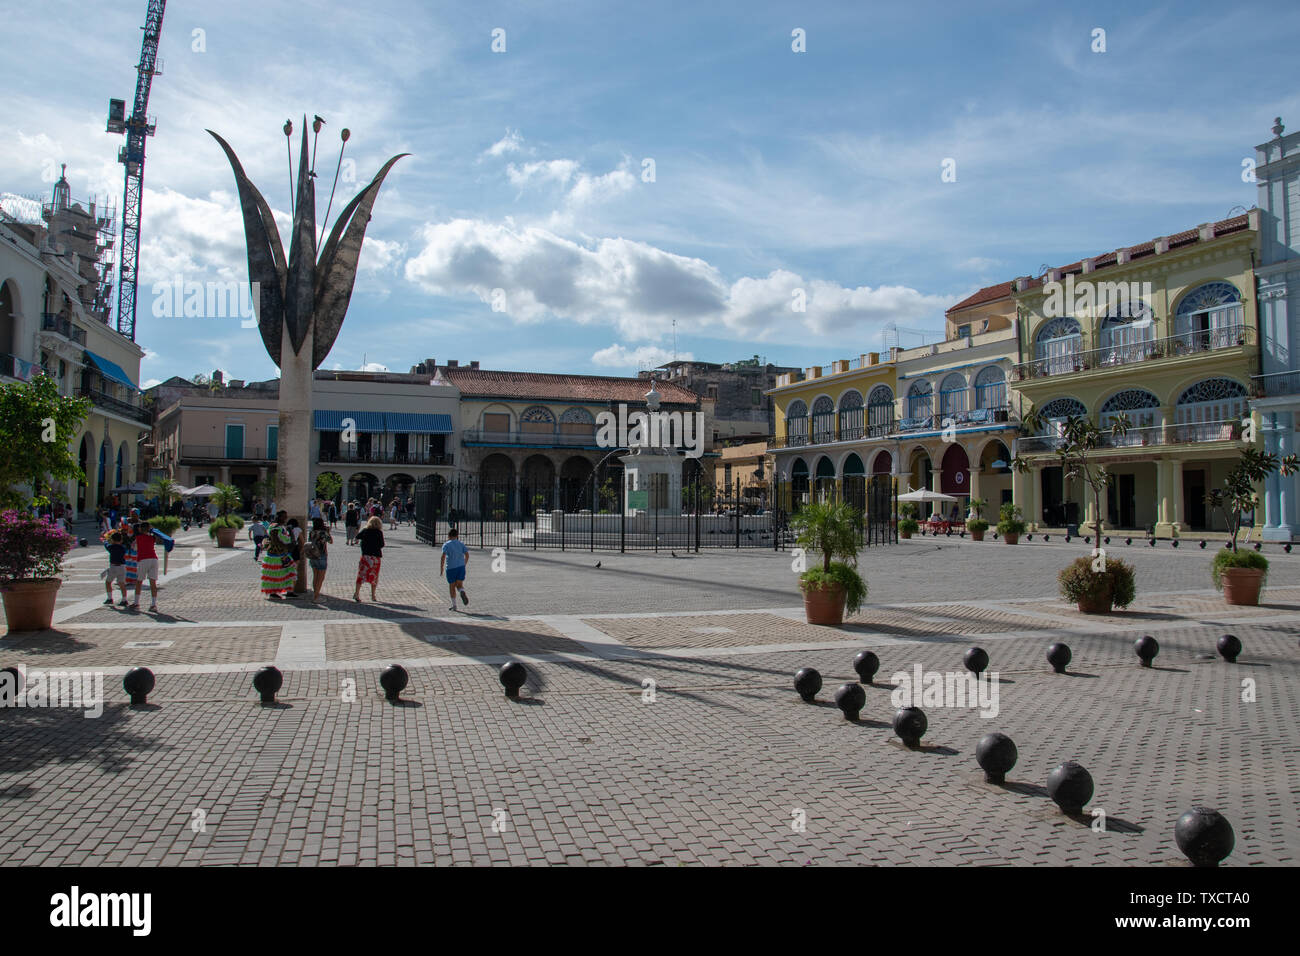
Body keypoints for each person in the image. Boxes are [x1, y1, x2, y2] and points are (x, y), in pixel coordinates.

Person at [260, 516, 296, 599]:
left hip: (274, 555)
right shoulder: (279, 529)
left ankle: (275, 592)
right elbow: (286, 540)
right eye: (284, 516)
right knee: (280, 574)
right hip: (278, 556)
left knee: (275, 575)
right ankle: (275, 592)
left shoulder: (273, 527)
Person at [353, 515, 385, 602]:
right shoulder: (379, 532)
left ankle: (356, 593)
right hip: (375, 557)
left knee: (361, 575)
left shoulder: (365, 530)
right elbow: (382, 544)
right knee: (374, 576)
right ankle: (373, 595)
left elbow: (357, 536)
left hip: (366, 556)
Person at [132, 521, 161, 613]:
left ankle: (136, 603)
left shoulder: (138, 538)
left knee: (139, 582)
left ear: (140, 529)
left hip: (143, 560)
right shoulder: (152, 538)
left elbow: (134, 548)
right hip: (154, 559)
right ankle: (153, 604)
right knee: (153, 583)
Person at [439, 527, 470, 611]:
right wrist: (464, 564)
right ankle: (461, 591)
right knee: (459, 584)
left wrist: (441, 568)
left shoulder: (446, 544)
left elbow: (443, 556)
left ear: (448, 536)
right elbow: (467, 554)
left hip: (451, 567)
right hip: (461, 567)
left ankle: (454, 605)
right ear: (457, 536)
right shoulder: (461, 544)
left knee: (452, 586)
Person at [306, 517, 333, 603]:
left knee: (315, 576)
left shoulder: (312, 532)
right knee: (321, 577)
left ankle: (315, 594)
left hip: (313, 555)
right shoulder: (323, 533)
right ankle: (316, 596)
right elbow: (331, 541)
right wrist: (328, 532)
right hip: (321, 555)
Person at [103, 530, 129, 606]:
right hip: (122, 567)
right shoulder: (123, 548)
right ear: (121, 540)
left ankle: (110, 598)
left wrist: (105, 540)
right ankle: (124, 600)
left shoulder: (111, 547)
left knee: (108, 582)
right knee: (122, 584)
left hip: (114, 567)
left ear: (113, 540)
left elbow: (106, 544)